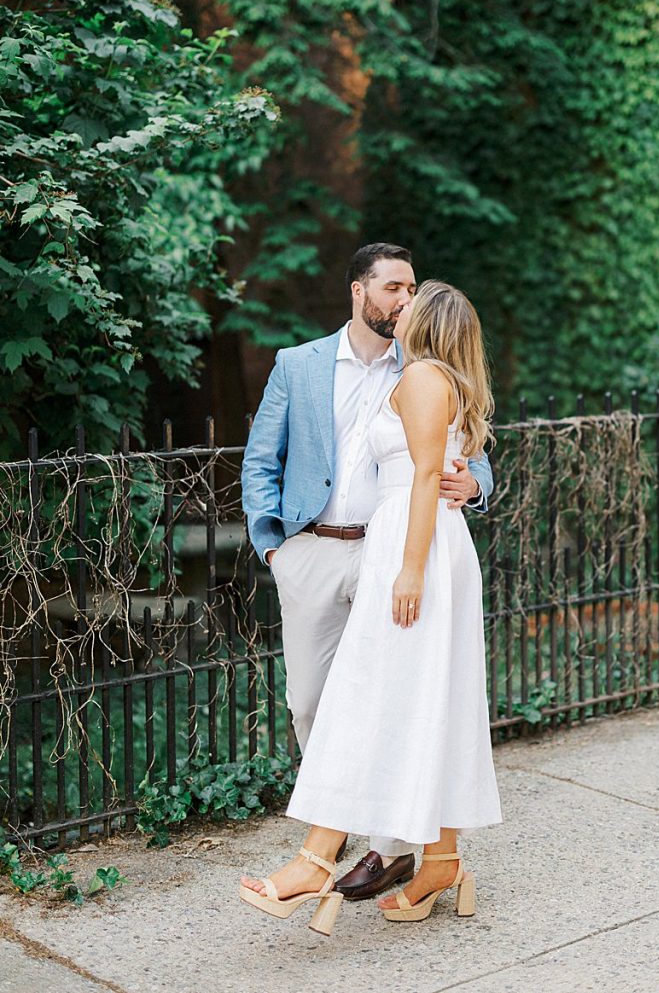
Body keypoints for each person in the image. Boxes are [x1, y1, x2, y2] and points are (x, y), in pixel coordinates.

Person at [238, 280, 502, 933]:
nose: (402, 303)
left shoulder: (420, 379)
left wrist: (408, 569)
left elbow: (418, 482)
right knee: (425, 701)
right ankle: (440, 859)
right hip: (427, 544)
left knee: (366, 696)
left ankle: (314, 861)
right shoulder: (439, 380)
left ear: (430, 320)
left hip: (413, 549)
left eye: (415, 297)